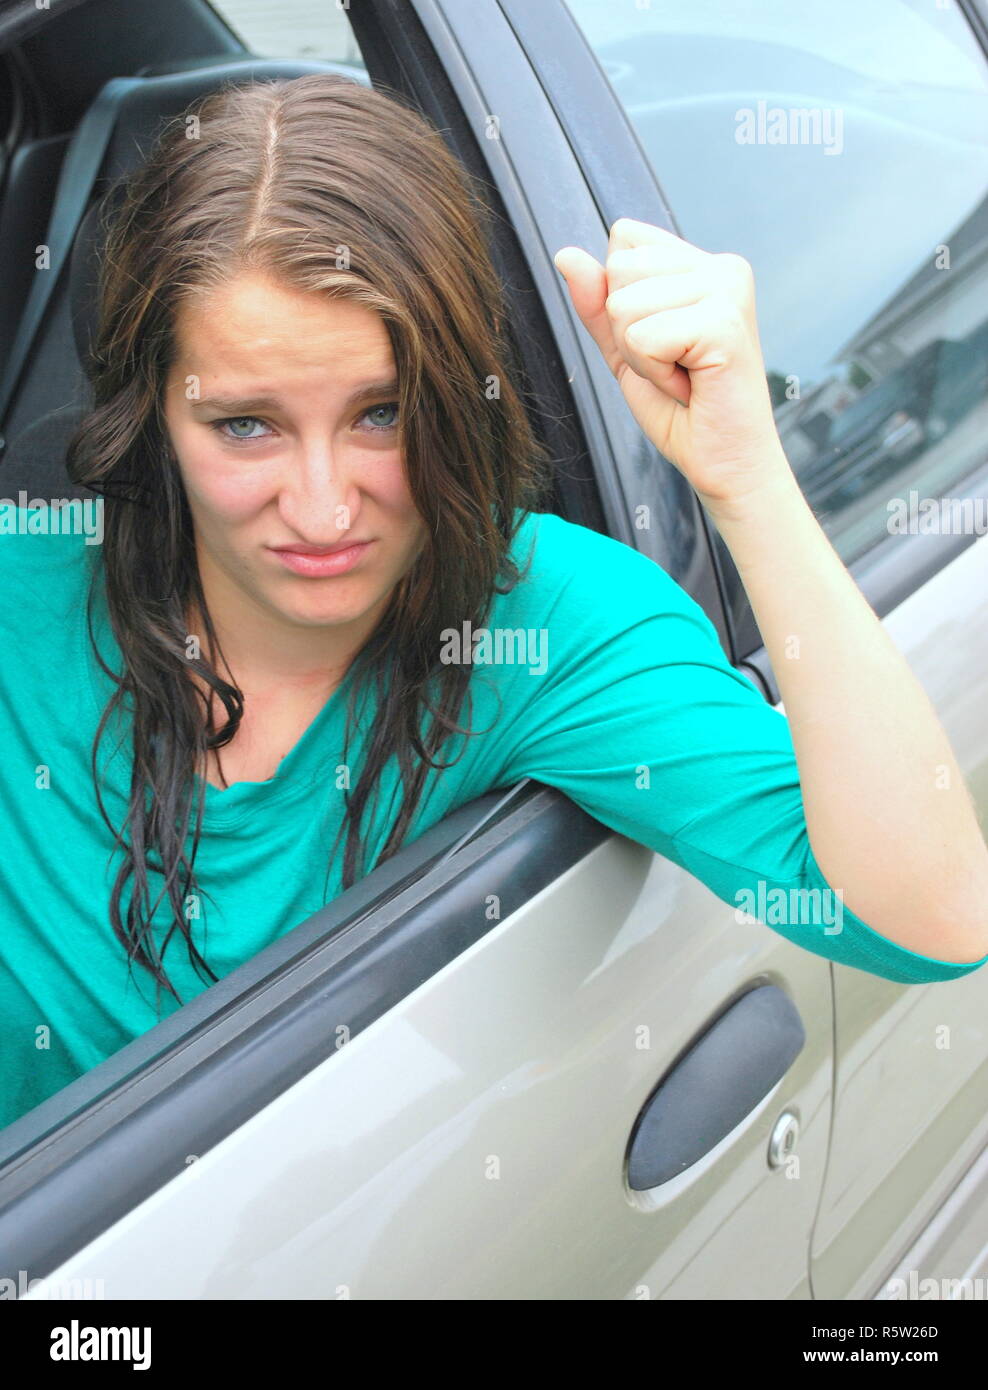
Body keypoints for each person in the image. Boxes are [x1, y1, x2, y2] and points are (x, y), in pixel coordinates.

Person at [1, 72, 986, 1133]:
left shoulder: (538, 620)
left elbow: (929, 918)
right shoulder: (26, 591)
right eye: (246, 426)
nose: (326, 508)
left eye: (383, 414)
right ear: (154, 414)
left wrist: (745, 478)